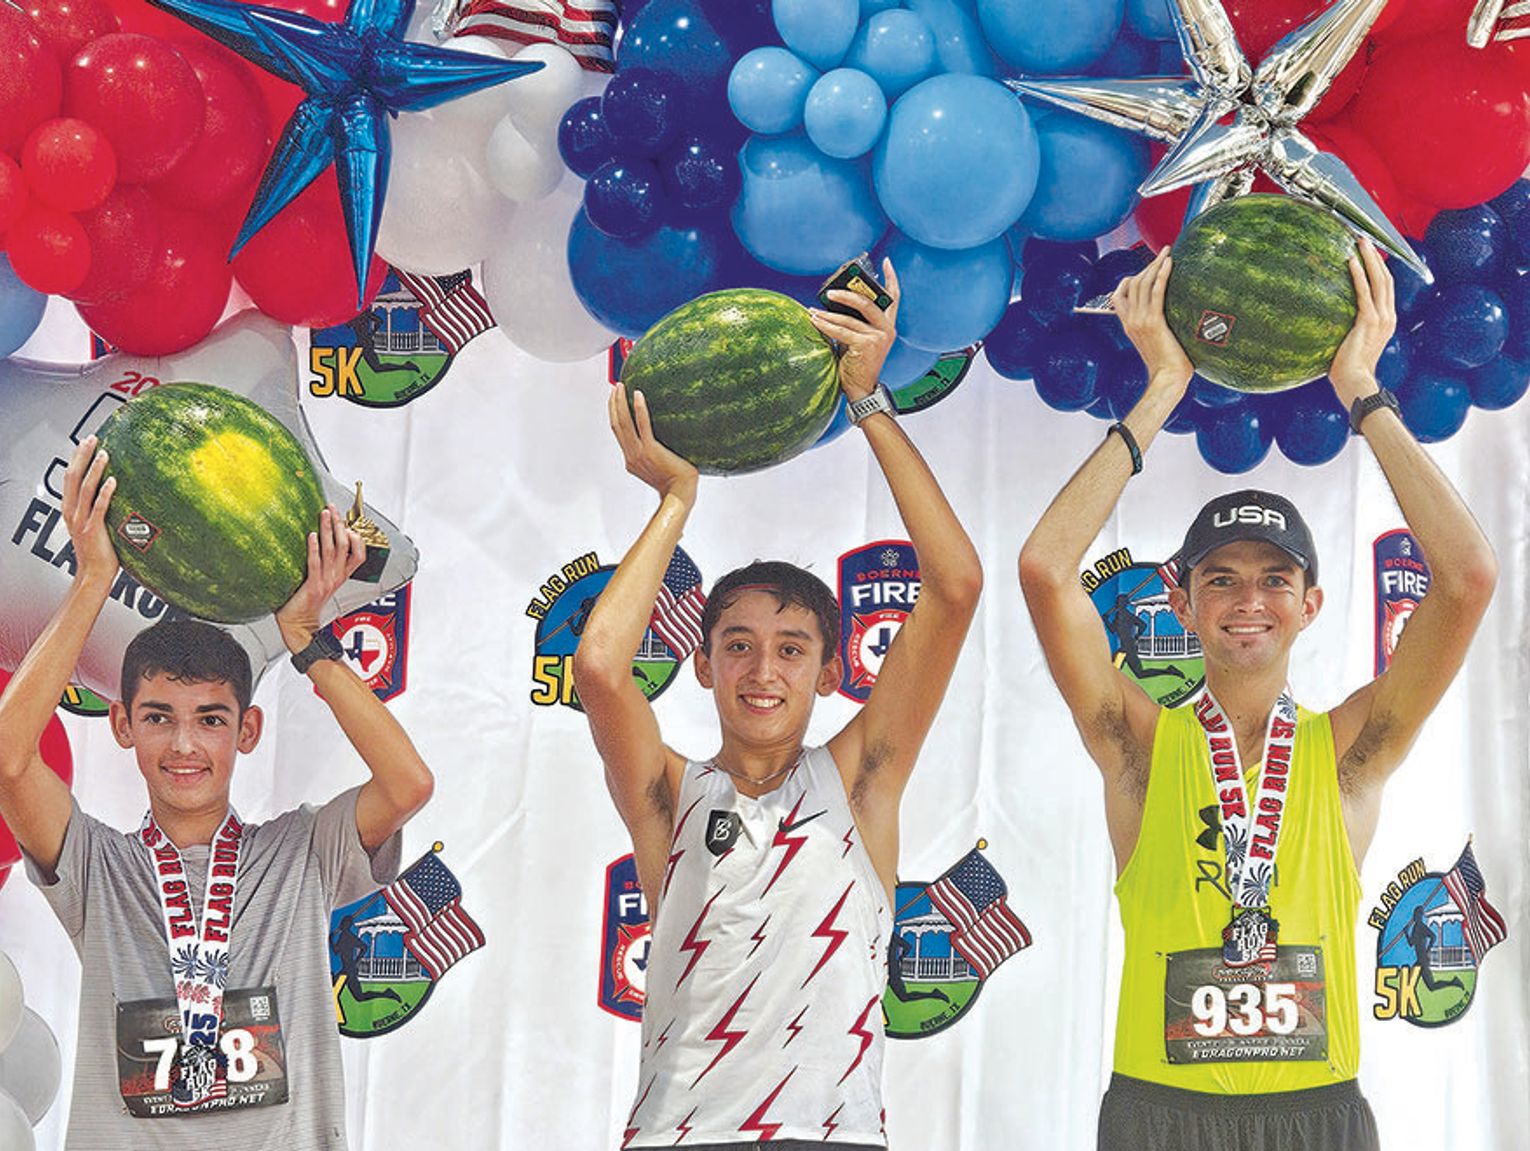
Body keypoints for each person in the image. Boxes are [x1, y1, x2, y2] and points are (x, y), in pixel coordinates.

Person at [1018, 240, 1497, 1150]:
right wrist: (1164, 385)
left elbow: (1467, 577)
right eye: (1222, 578)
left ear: (1310, 604)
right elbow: (1045, 568)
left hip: (1315, 1115)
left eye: (1276, 578)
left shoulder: (1348, 751)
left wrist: (1361, 388)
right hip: (1161, 1114)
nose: (1249, 599)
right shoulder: (1139, 743)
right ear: (1182, 602)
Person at [574, 262, 982, 1150]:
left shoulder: (861, 783)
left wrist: (867, 401)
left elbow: (954, 585)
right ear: (702, 665)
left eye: (792, 648)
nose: (763, 669)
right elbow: (600, 667)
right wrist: (677, 498)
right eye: (739, 644)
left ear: (831, 673)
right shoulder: (668, 796)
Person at [0, 437, 435, 1149]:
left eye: (210, 720)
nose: (184, 745)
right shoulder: (97, 867)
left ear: (247, 729)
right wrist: (93, 580)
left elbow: (408, 782)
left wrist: (307, 641)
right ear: (122, 725)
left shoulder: (304, 851)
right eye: (158, 718)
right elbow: (8, 760)